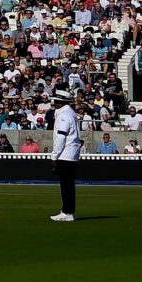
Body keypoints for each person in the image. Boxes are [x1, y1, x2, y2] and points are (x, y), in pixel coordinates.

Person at [49, 89, 83, 221]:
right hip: (70, 153)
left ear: (61, 102)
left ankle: (67, 212)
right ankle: (67, 211)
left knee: (66, 184)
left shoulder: (64, 115)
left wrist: (54, 155)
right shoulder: (69, 113)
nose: (54, 103)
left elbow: (61, 137)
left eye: (56, 101)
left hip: (66, 153)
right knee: (67, 183)